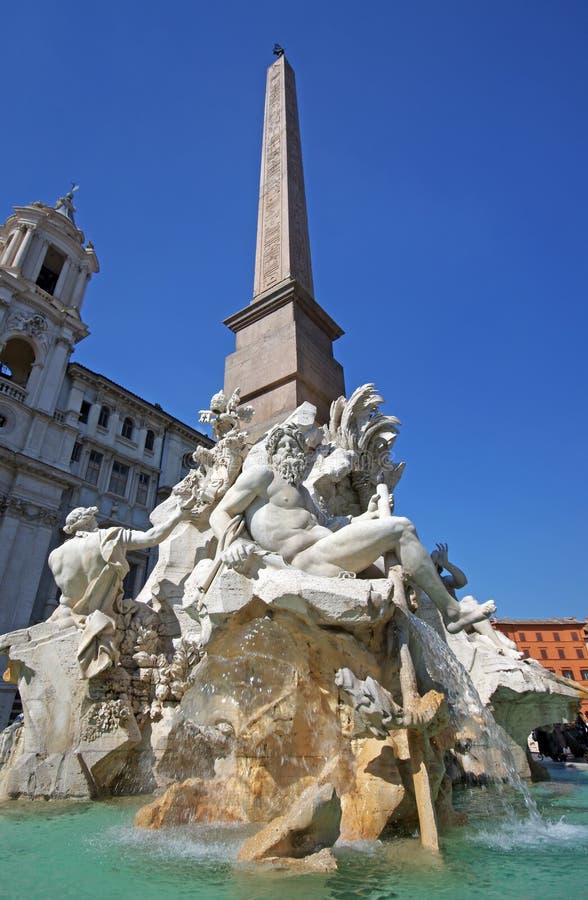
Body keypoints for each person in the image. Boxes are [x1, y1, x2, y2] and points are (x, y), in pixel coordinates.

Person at [209, 423, 495, 633]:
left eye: (294, 446)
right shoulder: (262, 476)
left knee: (409, 580)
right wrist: (233, 543)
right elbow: (219, 512)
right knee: (402, 528)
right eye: (283, 446)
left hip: (327, 551)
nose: (289, 451)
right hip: (305, 560)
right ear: (272, 453)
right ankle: (453, 613)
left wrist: (368, 515)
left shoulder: (303, 493)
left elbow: (330, 526)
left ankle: (439, 621)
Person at [49, 504, 190, 677]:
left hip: (65, 617)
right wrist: (178, 515)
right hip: (104, 616)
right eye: (93, 519)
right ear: (86, 522)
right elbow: (151, 537)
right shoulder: (109, 537)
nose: (96, 522)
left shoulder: (55, 555)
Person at [431, 542, 521, 656]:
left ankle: (492, 641)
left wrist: (447, 564)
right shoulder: (424, 585)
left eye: (435, 562)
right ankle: (499, 645)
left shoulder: (445, 581)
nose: (434, 564)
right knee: (470, 603)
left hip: (463, 620)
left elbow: (462, 582)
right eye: (432, 561)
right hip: (450, 623)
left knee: (512, 645)